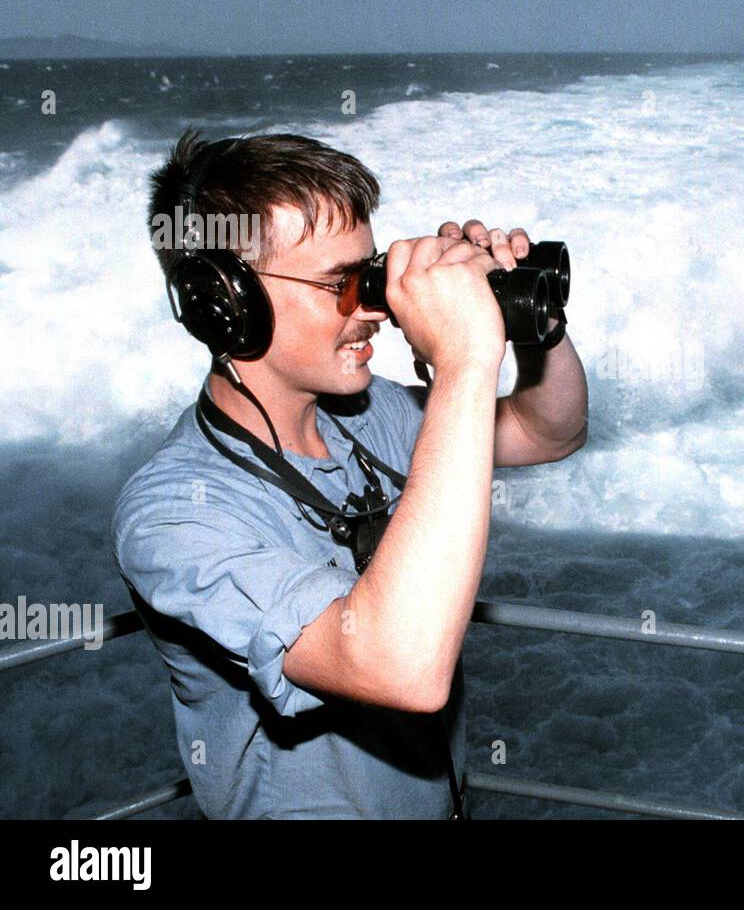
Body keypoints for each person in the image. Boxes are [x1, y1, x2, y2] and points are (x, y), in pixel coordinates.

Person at [111, 129, 588, 818]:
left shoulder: (369, 415)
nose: (370, 307)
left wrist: (524, 318)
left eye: (368, 273)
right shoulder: (173, 513)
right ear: (227, 301)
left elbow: (551, 430)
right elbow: (401, 667)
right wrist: (462, 364)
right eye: (339, 283)